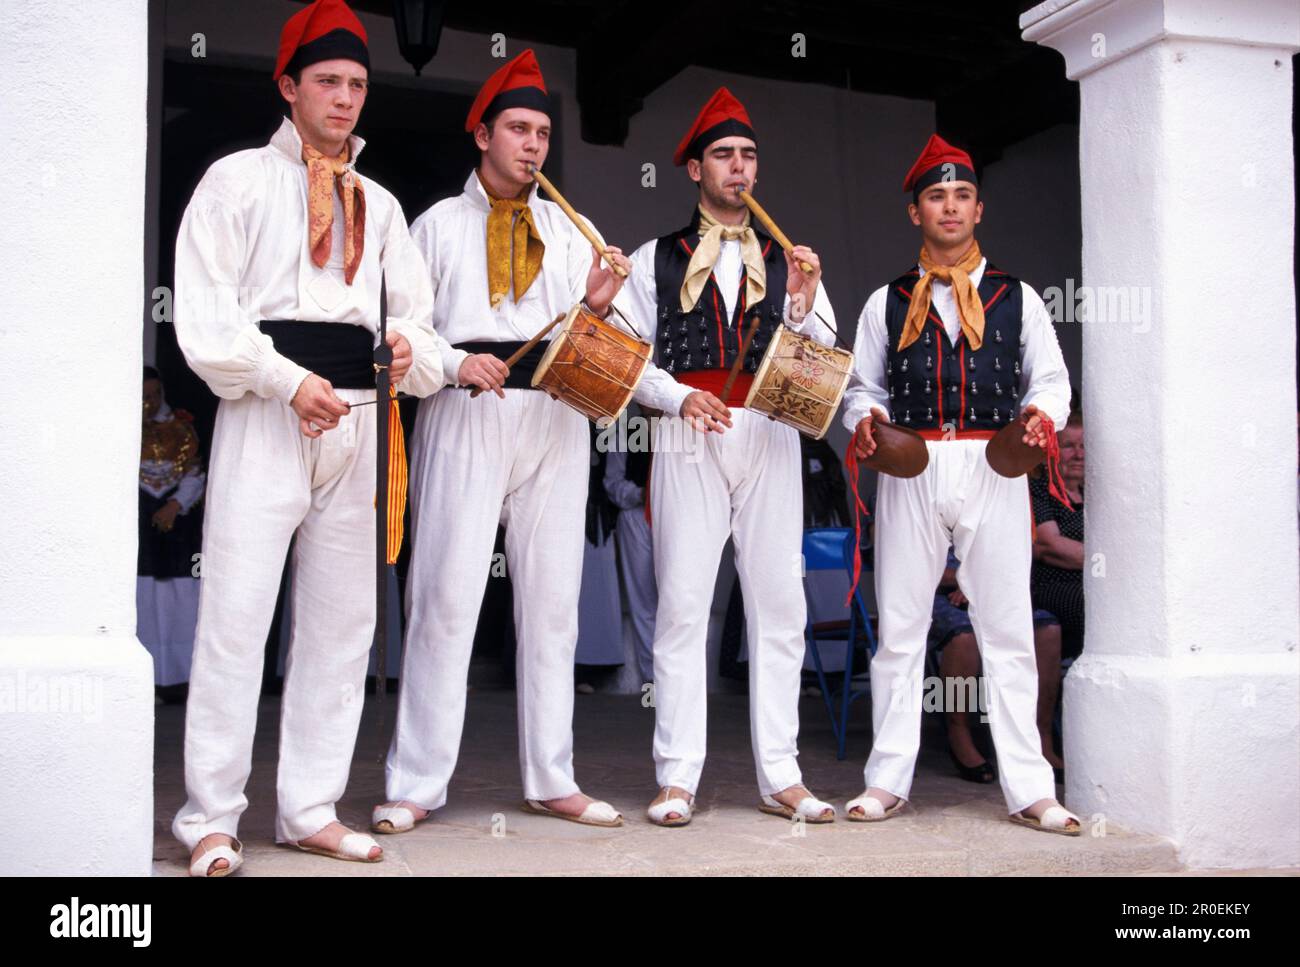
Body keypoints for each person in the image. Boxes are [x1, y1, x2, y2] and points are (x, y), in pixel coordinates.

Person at [171, 0, 452, 876]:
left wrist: (413, 351)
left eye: (357, 84)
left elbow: (425, 326)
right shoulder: (237, 180)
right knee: (236, 615)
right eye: (326, 81)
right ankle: (209, 815)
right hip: (268, 407)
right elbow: (208, 319)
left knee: (343, 623)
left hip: (362, 420)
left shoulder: (383, 203)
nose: (343, 98)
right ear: (287, 85)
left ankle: (309, 807)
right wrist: (287, 381)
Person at [374, 50, 629, 834]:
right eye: (518, 129)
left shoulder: (568, 228)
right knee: (446, 595)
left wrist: (596, 304)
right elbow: (405, 329)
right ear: (481, 133)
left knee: (554, 603)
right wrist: (455, 359)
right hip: (465, 411)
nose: (532, 145)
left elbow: (593, 342)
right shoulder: (436, 225)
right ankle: (416, 781)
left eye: (543, 132)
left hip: (552, 415)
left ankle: (552, 774)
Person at [843, 133, 1081, 834]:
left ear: (980, 208)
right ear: (915, 212)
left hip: (993, 461)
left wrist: (1040, 418)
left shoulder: (1018, 296)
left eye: (962, 195)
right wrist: (867, 421)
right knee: (901, 629)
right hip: (911, 463)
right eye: (935, 196)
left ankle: (1030, 787)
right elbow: (863, 386)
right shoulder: (888, 300)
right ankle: (886, 780)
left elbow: (1051, 380)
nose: (950, 207)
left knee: (1007, 628)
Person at [614, 87, 838, 827]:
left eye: (747, 155)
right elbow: (625, 354)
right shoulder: (656, 257)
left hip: (770, 430)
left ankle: (783, 774)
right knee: (683, 604)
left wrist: (802, 300)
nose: (738, 167)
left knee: (781, 603)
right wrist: (677, 399)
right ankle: (678, 775)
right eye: (723, 155)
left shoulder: (789, 257)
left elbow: (824, 358)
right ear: (693, 169)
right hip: (688, 429)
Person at [929, 549, 1065, 781]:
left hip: (991, 589)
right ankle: (959, 733)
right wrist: (970, 582)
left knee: (1046, 629)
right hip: (934, 595)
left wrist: (982, 586)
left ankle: (1041, 737)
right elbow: (905, 564)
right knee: (964, 635)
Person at [137, 367, 205, 705]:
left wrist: (175, 504)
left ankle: (181, 680)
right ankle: (146, 682)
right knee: (144, 599)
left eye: (155, 395)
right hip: (140, 526)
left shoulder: (182, 429)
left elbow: (196, 472)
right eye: (144, 396)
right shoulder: (123, 428)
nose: (151, 402)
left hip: (179, 528)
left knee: (182, 598)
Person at [603, 406, 656, 688]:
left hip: (673, 515)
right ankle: (653, 677)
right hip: (636, 518)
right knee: (642, 599)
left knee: (678, 596)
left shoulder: (683, 429)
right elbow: (612, 484)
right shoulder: (626, 431)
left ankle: (679, 676)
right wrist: (641, 494)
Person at [1031, 410, 1085, 659]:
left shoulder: (1094, 492)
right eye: (1069, 447)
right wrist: (1106, 562)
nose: (1079, 454)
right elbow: (1047, 545)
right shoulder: (1041, 488)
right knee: (1096, 607)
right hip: (1051, 586)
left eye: (1084, 446)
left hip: (1088, 582)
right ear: (1052, 452)